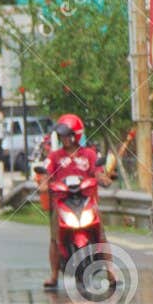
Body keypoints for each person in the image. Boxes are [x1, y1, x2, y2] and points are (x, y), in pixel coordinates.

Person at [41, 113, 106, 289]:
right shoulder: (54, 156)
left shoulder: (90, 154)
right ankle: (54, 275)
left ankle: (110, 272)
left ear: (76, 135)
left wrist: (102, 178)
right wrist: (44, 183)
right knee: (54, 238)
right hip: (62, 202)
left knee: (100, 233)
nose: (65, 139)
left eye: (68, 135)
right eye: (61, 136)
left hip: (86, 200)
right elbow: (46, 173)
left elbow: (99, 172)